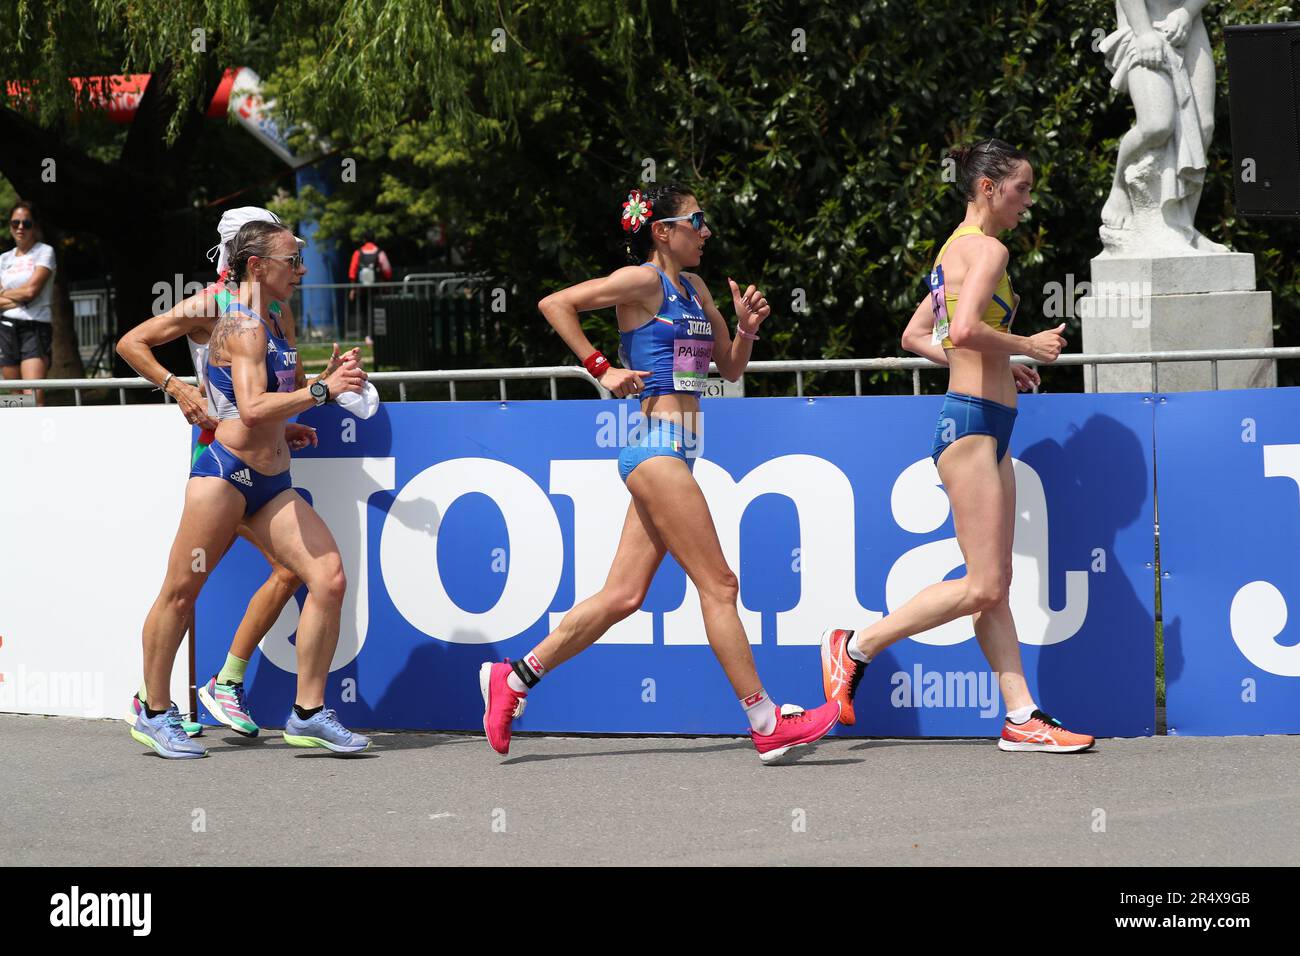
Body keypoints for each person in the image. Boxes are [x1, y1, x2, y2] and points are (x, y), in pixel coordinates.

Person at [479, 184, 841, 762]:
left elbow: (726, 368)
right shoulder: (643, 281)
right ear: (662, 231)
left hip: (677, 449)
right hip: (656, 448)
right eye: (697, 221)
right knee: (720, 585)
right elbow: (555, 303)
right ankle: (765, 720)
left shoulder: (695, 289)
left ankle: (514, 679)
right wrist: (602, 367)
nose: (707, 231)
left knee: (623, 596)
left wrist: (746, 326)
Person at [820, 140, 1095, 753]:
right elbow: (967, 330)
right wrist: (1028, 347)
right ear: (989, 187)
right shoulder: (990, 249)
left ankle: (1022, 717)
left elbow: (919, 334)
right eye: (1022, 188)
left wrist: (1001, 363)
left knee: (991, 584)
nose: (1029, 201)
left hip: (986, 421)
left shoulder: (953, 249)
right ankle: (854, 646)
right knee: (982, 585)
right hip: (973, 423)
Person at [128, 219, 370, 758]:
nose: (303, 270)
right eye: (292, 261)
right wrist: (176, 386)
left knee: (327, 578)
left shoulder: (277, 314)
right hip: (224, 476)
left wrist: (301, 409)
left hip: (272, 481)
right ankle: (153, 709)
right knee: (181, 591)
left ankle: (307, 713)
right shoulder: (237, 322)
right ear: (257, 266)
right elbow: (251, 405)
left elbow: (275, 401)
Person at [0, 201, 57, 406]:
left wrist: (5, 293)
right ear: (10, 226)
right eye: (15, 223)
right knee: (14, 398)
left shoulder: (44, 252)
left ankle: (39, 436)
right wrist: (20, 297)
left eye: (26, 223)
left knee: (33, 396)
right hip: (6, 328)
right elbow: (25, 294)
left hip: (35, 327)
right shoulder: (3, 259)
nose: (20, 227)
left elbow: (32, 291)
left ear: (35, 226)